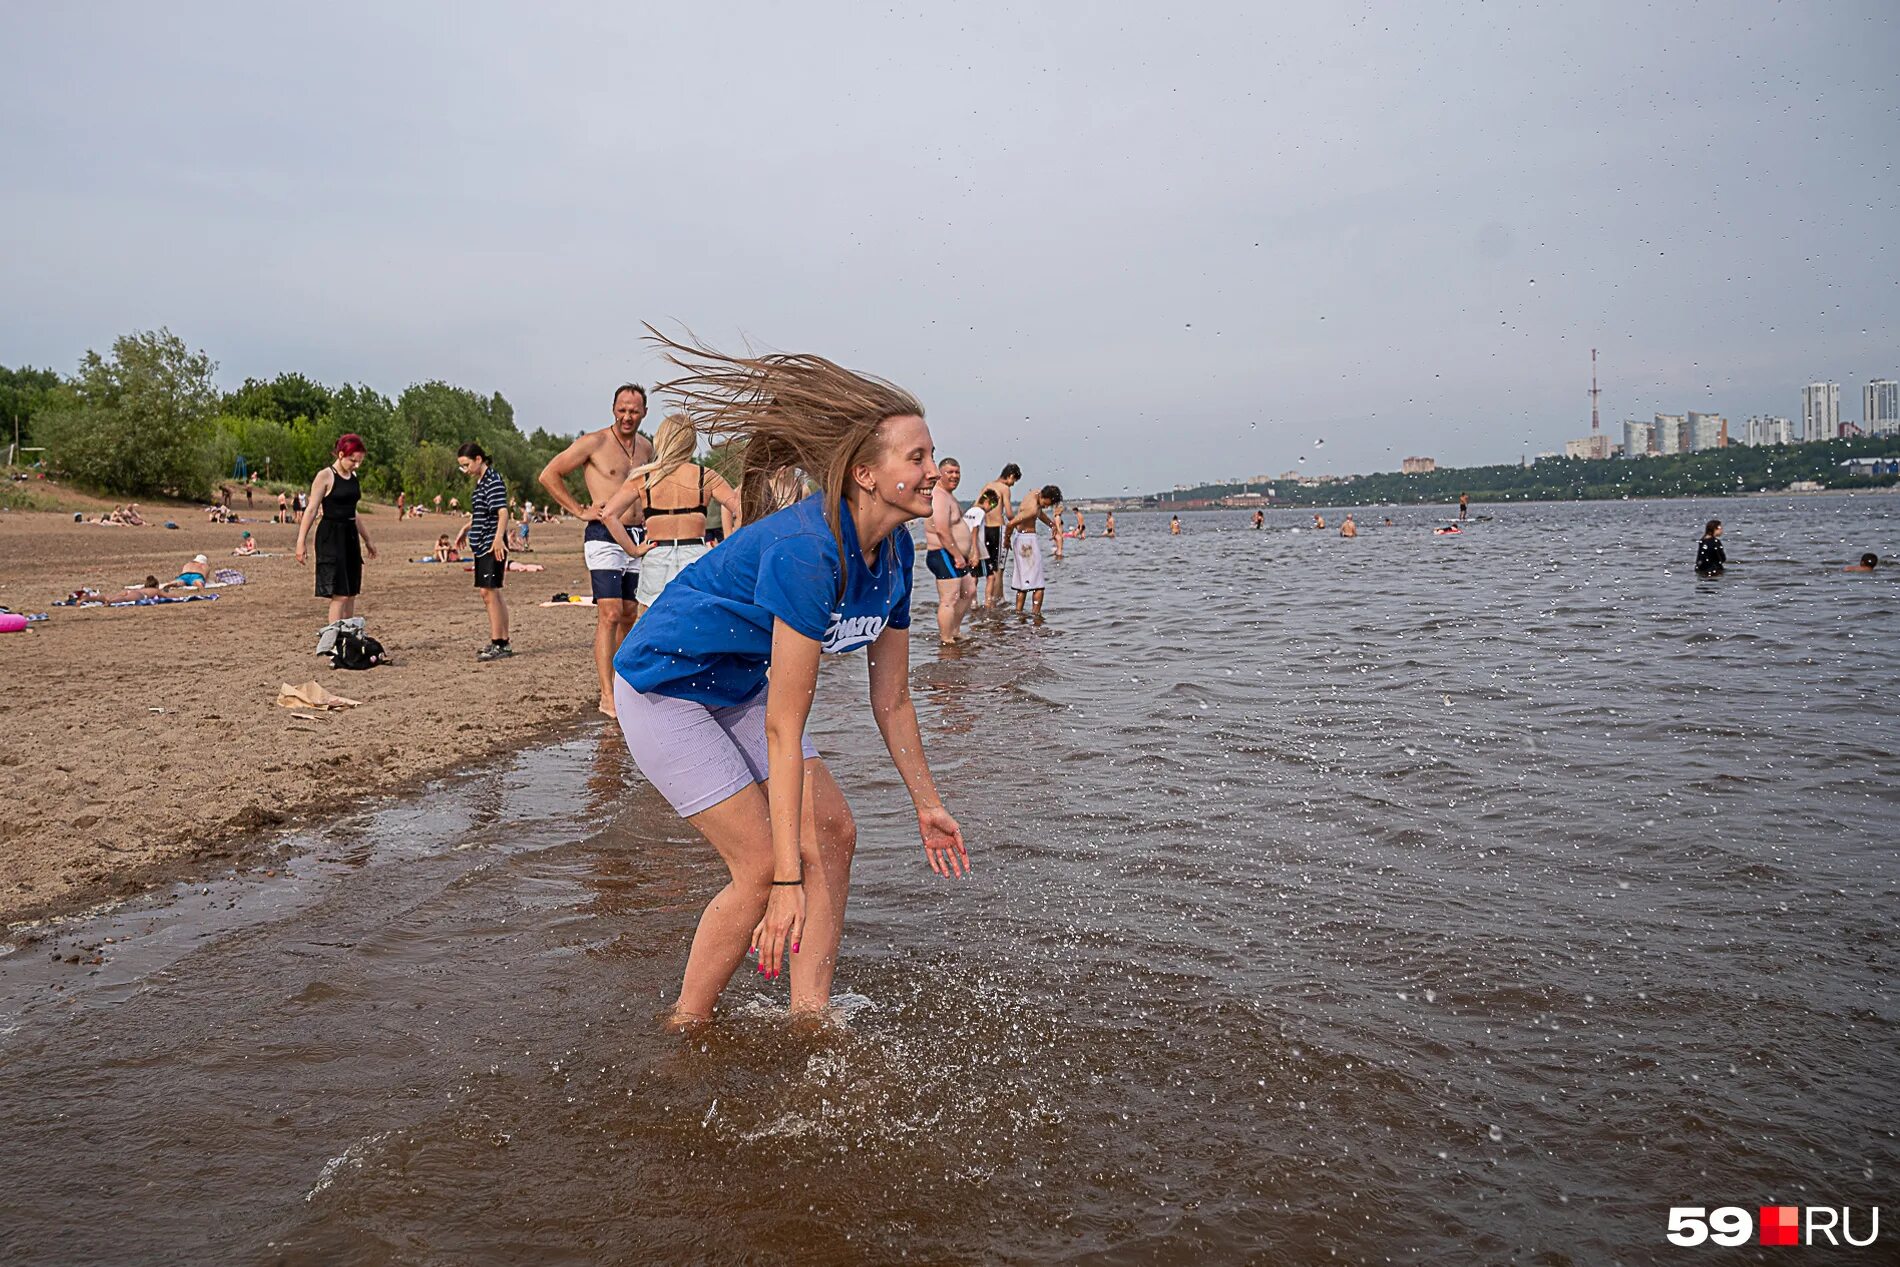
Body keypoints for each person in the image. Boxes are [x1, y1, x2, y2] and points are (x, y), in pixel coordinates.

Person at [610, 330, 967, 1027]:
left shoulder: (892, 553)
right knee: (759, 866)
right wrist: (783, 880)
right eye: (916, 457)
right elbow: (785, 722)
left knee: (832, 829)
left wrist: (926, 801)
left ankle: (810, 1016)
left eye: (932, 455)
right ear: (865, 474)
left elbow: (891, 700)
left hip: (733, 684)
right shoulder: (811, 550)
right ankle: (686, 1027)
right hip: (664, 687)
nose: (933, 470)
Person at [538, 384, 657, 717]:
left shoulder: (647, 448)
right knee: (610, 613)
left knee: (630, 614)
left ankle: (622, 686)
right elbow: (549, 474)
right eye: (622, 409)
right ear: (613, 409)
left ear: (644, 412)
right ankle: (607, 695)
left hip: (636, 536)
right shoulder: (595, 442)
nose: (627, 416)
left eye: (634, 410)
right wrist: (578, 510)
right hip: (604, 534)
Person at [598, 413, 742, 618]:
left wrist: (633, 550)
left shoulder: (645, 476)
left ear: (662, 439)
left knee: (652, 620)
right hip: (696, 554)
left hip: (657, 552)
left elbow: (609, 515)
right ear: (690, 442)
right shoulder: (705, 475)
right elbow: (741, 508)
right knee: (696, 620)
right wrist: (729, 544)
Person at [296, 434, 378, 653]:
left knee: (351, 591)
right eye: (353, 460)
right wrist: (300, 542)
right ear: (341, 455)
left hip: (350, 535)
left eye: (359, 461)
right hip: (331, 536)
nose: (356, 464)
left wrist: (368, 539)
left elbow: (354, 511)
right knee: (339, 593)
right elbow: (312, 509)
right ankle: (332, 641)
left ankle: (348, 639)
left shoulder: (353, 477)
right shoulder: (325, 476)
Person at [448, 444, 512, 659]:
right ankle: (502, 641)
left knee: (488, 592)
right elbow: (483, 513)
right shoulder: (482, 482)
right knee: (492, 591)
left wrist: (497, 540)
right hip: (482, 541)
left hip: (490, 544)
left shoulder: (492, 480)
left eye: (466, 465)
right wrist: (466, 528)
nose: (465, 470)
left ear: (478, 459)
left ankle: (498, 643)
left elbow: (502, 513)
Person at [922, 456, 976, 643]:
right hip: (943, 553)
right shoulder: (938, 496)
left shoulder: (949, 496)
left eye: (957, 472)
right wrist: (957, 555)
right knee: (949, 599)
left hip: (955, 555)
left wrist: (969, 553)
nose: (954, 476)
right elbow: (942, 530)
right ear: (940, 474)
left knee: (969, 590)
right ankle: (946, 639)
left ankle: (954, 630)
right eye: (950, 472)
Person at [1010, 484, 1062, 615]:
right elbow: (1011, 523)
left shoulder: (1034, 494)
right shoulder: (1033, 508)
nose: (1047, 506)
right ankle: (1036, 616)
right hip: (1027, 542)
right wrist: (1005, 540)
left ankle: (1018, 614)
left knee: (1023, 584)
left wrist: (1051, 524)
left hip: (1020, 539)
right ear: (1045, 496)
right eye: (1047, 503)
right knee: (1039, 585)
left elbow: (1039, 512)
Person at [977, 463, 1021, 608]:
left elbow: (977, 506)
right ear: (1010, 476)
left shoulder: (987, 486)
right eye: (1014, 481)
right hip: (999, 530)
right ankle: (998, 601)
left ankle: (990, 600)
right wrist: (1018, 525)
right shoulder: (1004, 488)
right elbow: (1008, 513)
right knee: (999, 569)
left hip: (985, 530)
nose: (1013, 484)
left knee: (991, 568)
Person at [963, 489, 996, 609]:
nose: (992, 509)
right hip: (978, 548)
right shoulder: (980, 512)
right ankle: (988, 603)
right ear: (987, 501)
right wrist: (975, 552)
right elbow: (975, 531)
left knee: (973, 576)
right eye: (992, 505)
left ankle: (973, 603)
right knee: (991, 577)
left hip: (967, 546)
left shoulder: (970, 511)